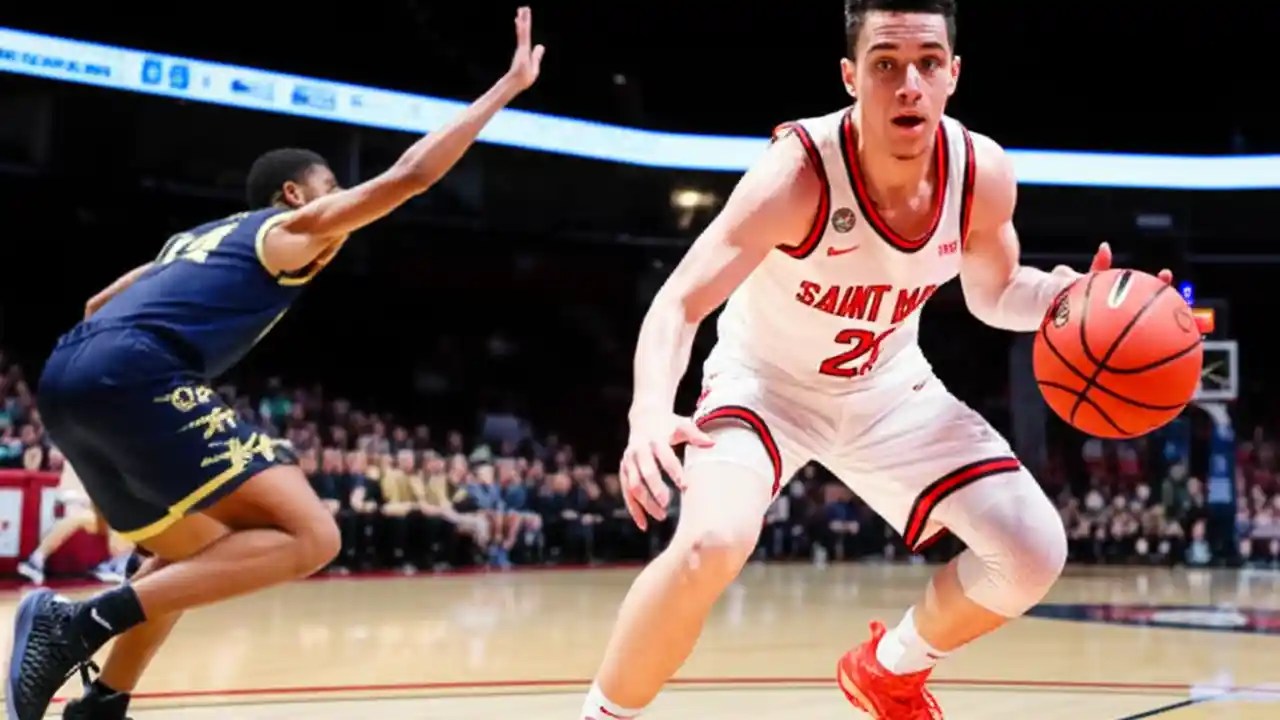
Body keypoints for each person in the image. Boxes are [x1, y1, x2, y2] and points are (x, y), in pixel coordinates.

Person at [578, 1, 1170, 718]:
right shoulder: (797, 174)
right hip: (765, 385)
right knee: (710, 542)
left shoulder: (980, 172)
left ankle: (889, 671)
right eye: (886, 64)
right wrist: (648, 413)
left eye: (927, 63)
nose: (908, 84)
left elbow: (996, 292)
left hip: (888, 388)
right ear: (851, 77)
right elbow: (680, 302)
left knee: (1033, 551)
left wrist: (1066, 300)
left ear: (953, 74)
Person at [6, 9, 544, 720]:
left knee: (187, 558)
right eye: (332, 193)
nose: (344, 211)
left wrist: (108, 381)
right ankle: (73, 624)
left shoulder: (194, 239)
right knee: (313, 537)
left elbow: (96, 302)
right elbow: (411, 176)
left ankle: (103, 703)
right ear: (294, 196)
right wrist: (503, 89)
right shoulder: (286, 233)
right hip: (134, 371)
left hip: (69, 376)